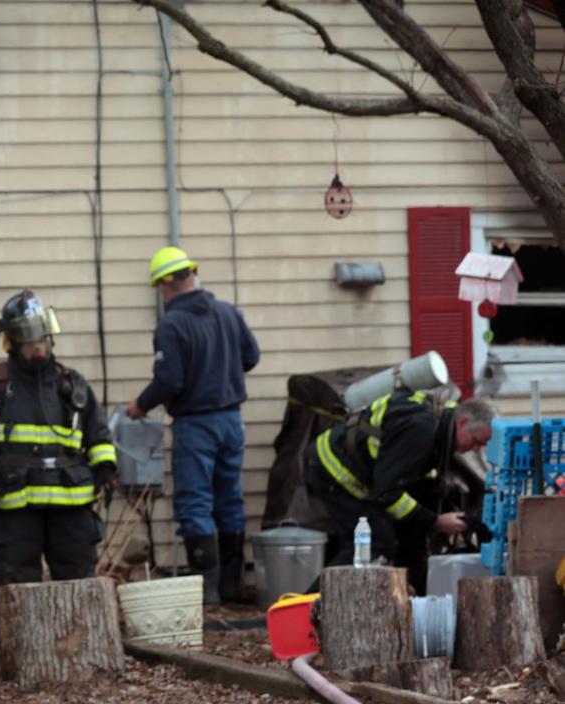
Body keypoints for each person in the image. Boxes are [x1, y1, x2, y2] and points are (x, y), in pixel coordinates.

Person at [126, 247, 260, 606]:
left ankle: (208, 591)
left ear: (165, 284)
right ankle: (231, 586)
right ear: (192, 274)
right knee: (229, 498)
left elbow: (170, 380)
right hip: (232, 420)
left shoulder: (172, 325)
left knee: (195, 502)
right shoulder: (228, 313)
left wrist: (140, 405)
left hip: (196, 423)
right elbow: (251, 357)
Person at [0, 289, 116, 583]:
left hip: (72, 508)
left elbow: (98, 435)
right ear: (11, 342)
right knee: (18, 588)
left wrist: (105, 468)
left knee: (78, 587)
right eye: (29, 339)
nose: (37, 346)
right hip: (14, 509)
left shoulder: (72, 384)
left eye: (42, 337)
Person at [304, 390, 494, 590]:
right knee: (374, 544)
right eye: (475, 441)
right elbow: (388, 494)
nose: (476, 450)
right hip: (333, 469)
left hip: (366, 476)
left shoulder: (442, 421)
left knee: (410, 537)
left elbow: (419, 485)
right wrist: (434, 521)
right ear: (463, 422)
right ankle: (306, 610)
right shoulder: (420, 431)